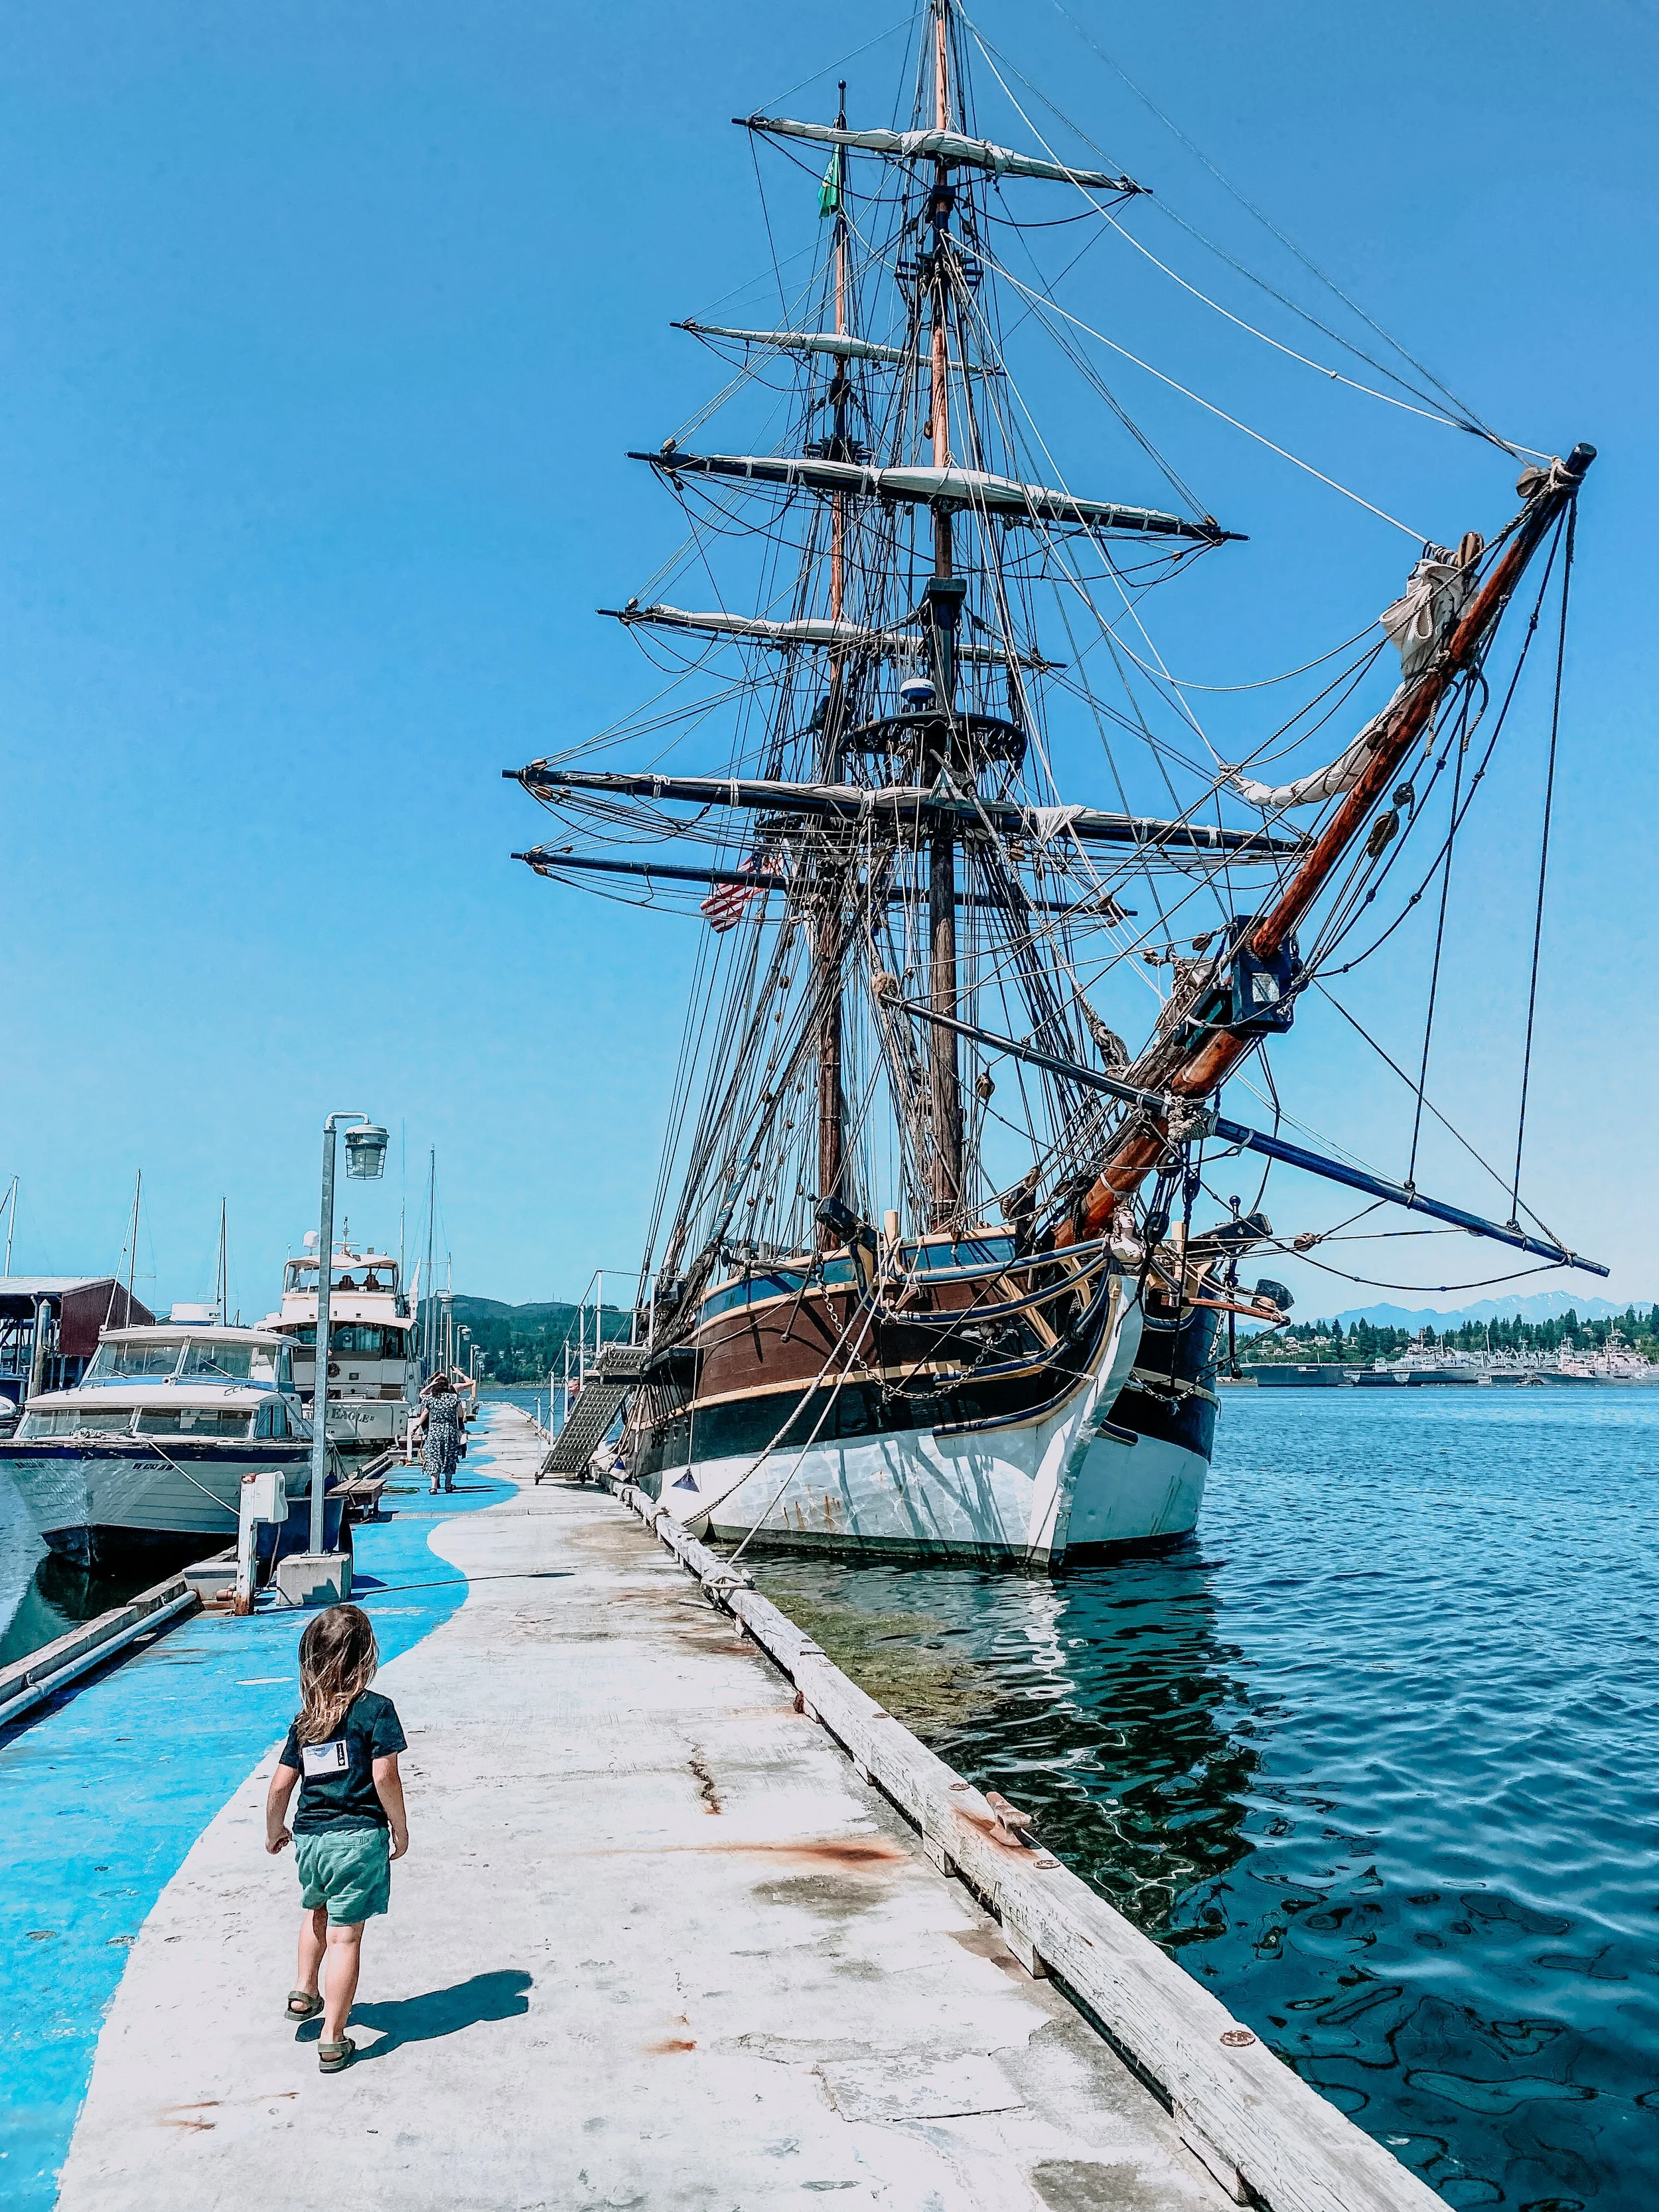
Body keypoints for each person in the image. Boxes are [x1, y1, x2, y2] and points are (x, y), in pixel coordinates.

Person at [265, 1604, 408, 2075]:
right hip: (358, 1837)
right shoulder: (376, 1710)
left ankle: (305, 1989)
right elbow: (384, 1773)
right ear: (367, 1655)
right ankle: (332, 2037)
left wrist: (275, 1829)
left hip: (310, 1840)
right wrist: (400, 1827)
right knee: (346, 1937)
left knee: (317, 1909)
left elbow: (282, 1784)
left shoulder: (306, 1720)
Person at [409, 1371, 465, 1494]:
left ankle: (434, 1487)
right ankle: (448, 1485)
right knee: (449, 1458)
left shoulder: (431, 1399)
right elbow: (460, 1414)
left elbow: (422, 1396)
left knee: (434, 1458)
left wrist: (431, 1384)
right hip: (450, 1431)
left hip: (435, 1432)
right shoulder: (454, 1398)